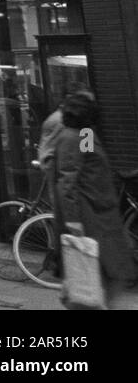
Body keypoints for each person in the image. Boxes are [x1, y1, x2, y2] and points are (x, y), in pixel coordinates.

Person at [50, 90, 137, 300]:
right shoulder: (71, 137)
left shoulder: (84, 133)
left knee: (114, 269)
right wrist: (73, 221)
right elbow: (68, 180)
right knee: (108, 269)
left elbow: (90, 163)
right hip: (90, 214)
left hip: (102, 209)